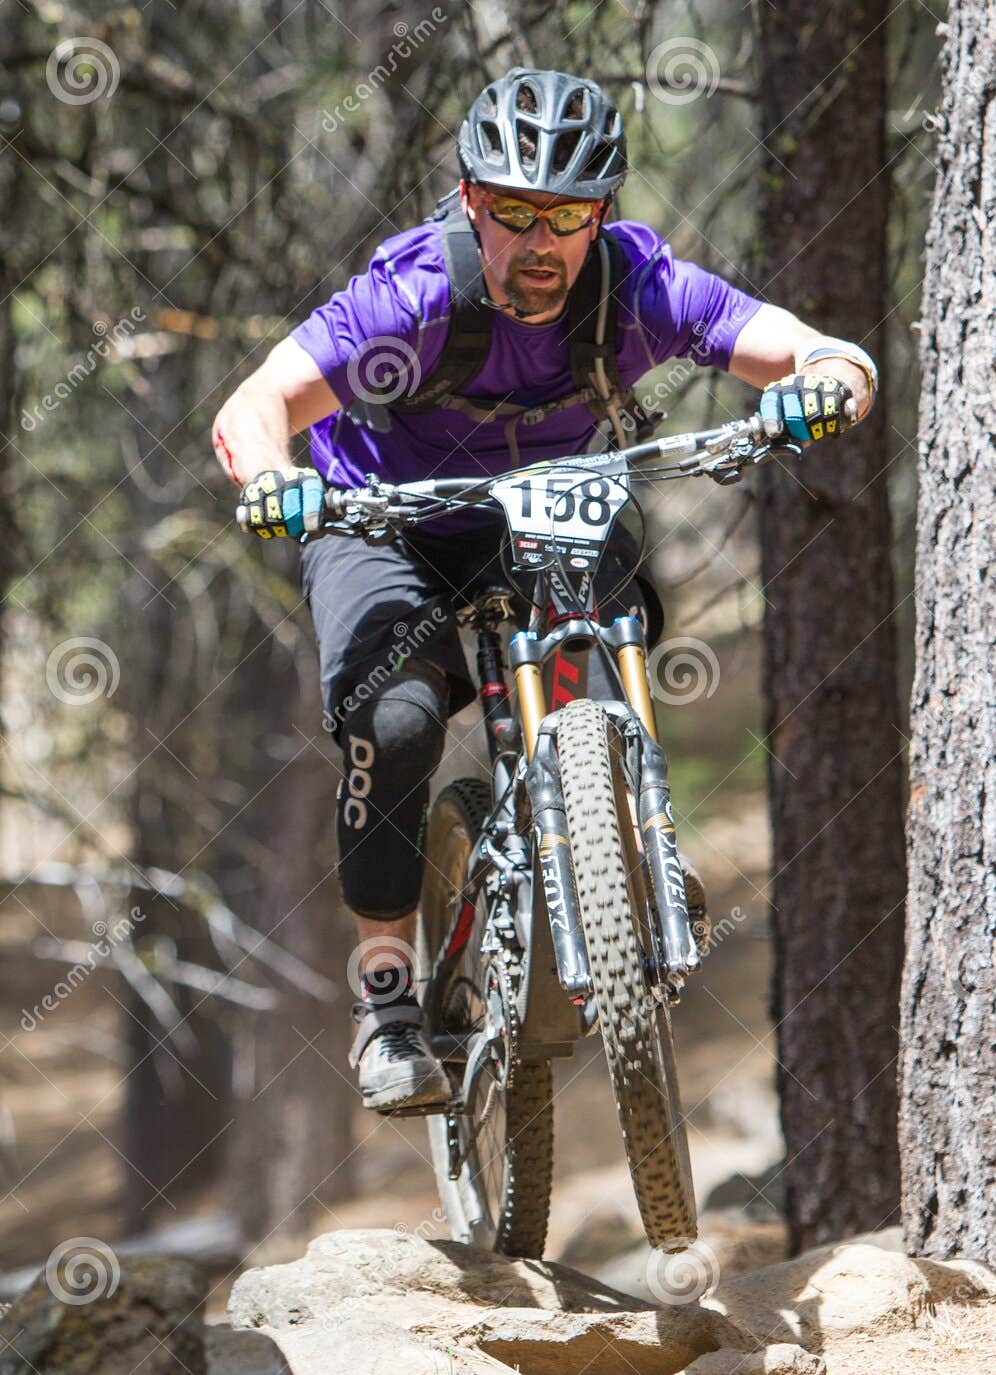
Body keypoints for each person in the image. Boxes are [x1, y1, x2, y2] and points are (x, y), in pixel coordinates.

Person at [211, 67, 878, 1115]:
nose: (538, 240)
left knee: (614, 618)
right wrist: (269, 479)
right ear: (471, 202)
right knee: (393, 721)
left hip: (544, 511)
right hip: (389, 522)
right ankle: (386, 997)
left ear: (598, 214)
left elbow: (803, 346)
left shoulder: (634, 285)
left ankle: (617, 844)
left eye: (564, 215)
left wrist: (829, 380)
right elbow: (255, 404)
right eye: (512, 211)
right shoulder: (413, 296)